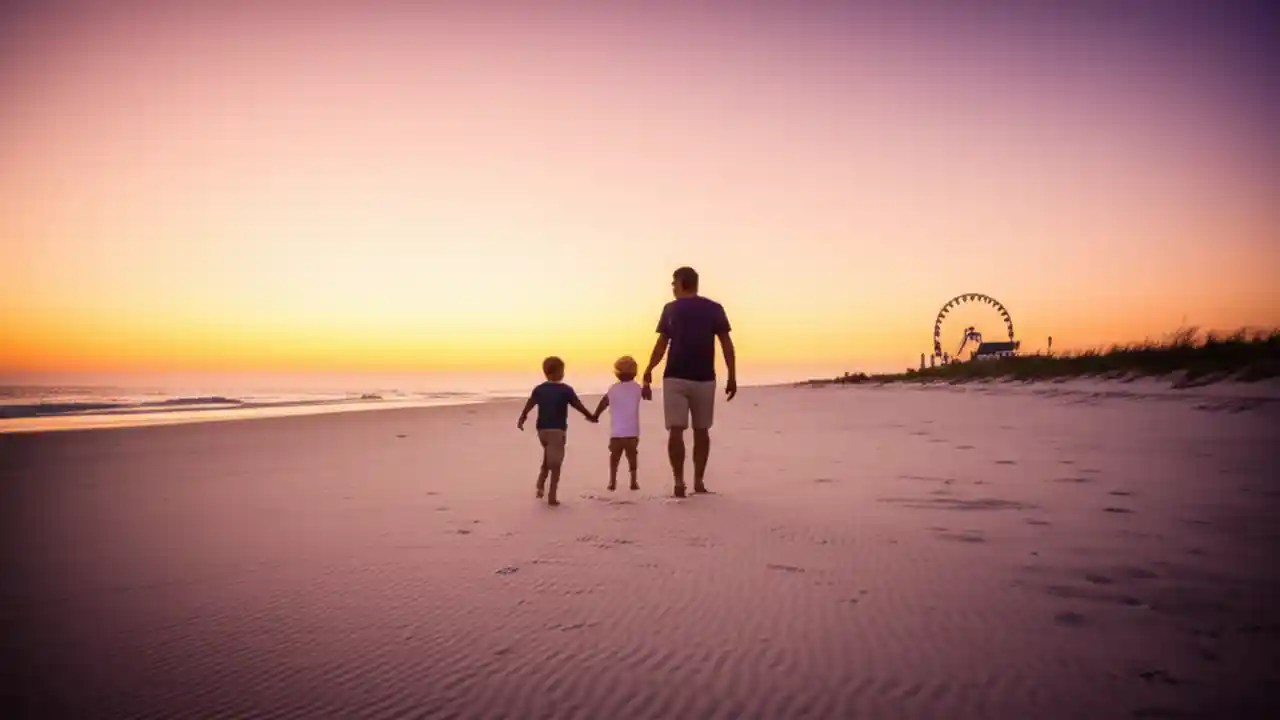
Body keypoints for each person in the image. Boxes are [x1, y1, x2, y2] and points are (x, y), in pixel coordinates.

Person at [641, 266, 736, 497]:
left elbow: (661, 344)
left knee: (677, 430)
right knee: (701, 431)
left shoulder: (671, 309)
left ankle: (679, 482)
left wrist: (649, 369)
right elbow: (726, 344)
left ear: (682, 282)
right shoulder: (714, 308)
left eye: (674, 283)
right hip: (704, 377)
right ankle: (698, 482)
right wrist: (732, 375)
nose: (672, 288)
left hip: (676, 376)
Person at [517, 356, 596, 506]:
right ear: (558, 372)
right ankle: (552, 496)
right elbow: (578, 405)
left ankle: (540, 484)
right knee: (556, 463)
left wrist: (522, 418)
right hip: (557, 430)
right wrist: (591, 416)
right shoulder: (566, 390)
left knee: (549, 456)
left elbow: (529, 404)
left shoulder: (539, 389)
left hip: (542, 430)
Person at [591, 355, 647, 491]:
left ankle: (612, 482)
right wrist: (646, 384)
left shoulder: (613, 389)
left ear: (617, 373)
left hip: (616, 432)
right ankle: (633, 481)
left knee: (614, 458)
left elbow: (603, 403)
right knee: (632, 457)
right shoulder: (636, 388)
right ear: (634, 373)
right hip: (632, 432)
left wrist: (595, 416)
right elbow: (647, 396)